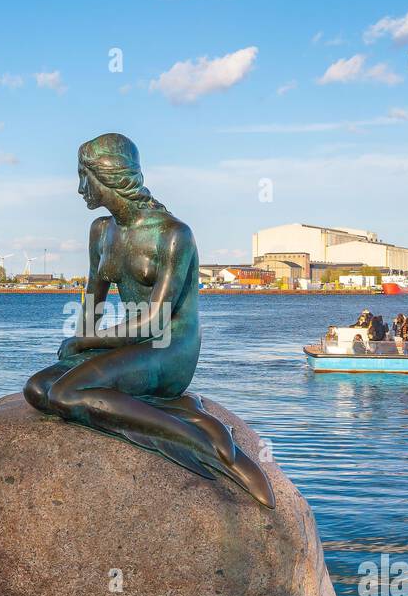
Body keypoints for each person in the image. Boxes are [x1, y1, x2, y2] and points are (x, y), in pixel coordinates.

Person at [23, 133, 275, 507]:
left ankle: (203, 441)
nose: (79, 189)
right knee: (37, 389)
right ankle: (177, 410)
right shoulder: (101, 232)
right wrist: (80, 339)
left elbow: (156, 321)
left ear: (109, 176)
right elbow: (93, 301)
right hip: (132, 345)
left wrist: (86, 344)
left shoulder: (174, 235)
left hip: (169, 348)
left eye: (83, 176)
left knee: (65, 392)